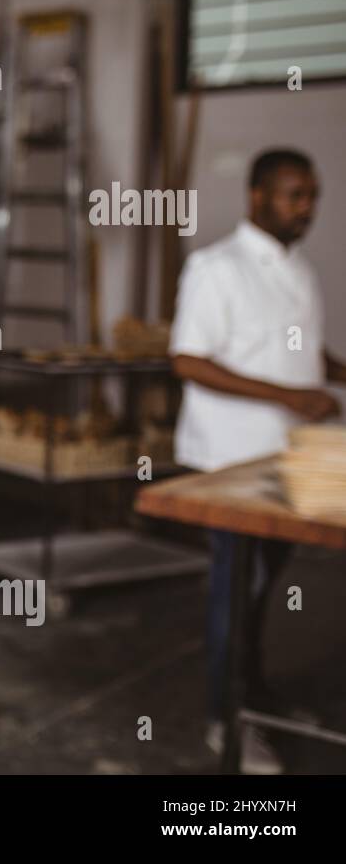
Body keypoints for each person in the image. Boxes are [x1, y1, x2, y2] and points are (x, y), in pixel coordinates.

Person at [169, 147, 346, 774]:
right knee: (234, 587)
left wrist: (333, 374)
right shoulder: (216, 268)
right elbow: (188, 359)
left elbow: (296, 349)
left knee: (268, 588)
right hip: (230, 461)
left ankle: (256, 694)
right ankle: (227, 721)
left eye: (312, 197)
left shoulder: (297, 269)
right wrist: (290, 396)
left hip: (285, 459)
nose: (307, 209)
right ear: (256, 196)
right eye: (294, 195)